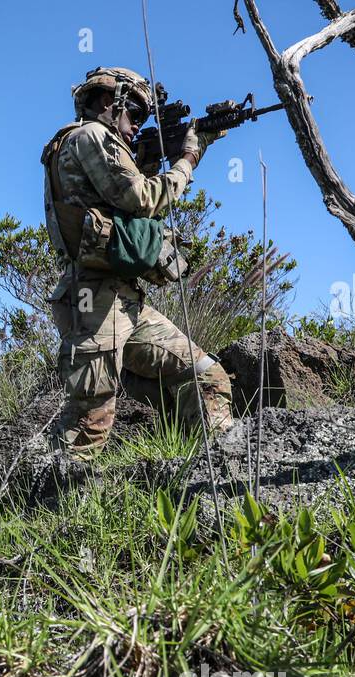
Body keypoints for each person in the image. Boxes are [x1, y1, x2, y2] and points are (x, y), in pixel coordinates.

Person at [42, 66, 235, 461]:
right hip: (93, 300)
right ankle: (42, 511)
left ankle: (217, 474)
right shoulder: (90, 136)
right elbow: (141, 198)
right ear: (107, 103)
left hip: (122, 299)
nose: (136, 128)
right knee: (88, 422)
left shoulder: (97, 143)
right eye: (135, 115)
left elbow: (120, 197)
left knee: (204, 375)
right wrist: (187, 160)